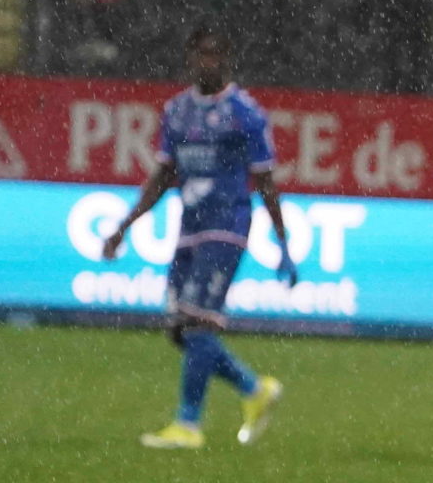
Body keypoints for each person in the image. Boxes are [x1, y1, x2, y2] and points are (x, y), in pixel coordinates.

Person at [102, 28, 292, 450]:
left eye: (215, 54)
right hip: (189, 228)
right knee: (180, 330)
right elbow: (164, 174)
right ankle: (253, 388)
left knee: (200, 324)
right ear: (190, 58)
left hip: (226, 226)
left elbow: (265, 180)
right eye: (201, 54)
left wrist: (283, 243)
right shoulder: (178, 111)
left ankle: (188, 425)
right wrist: (123, 227)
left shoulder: (245, 113)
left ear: (227, 59)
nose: (208, 62)